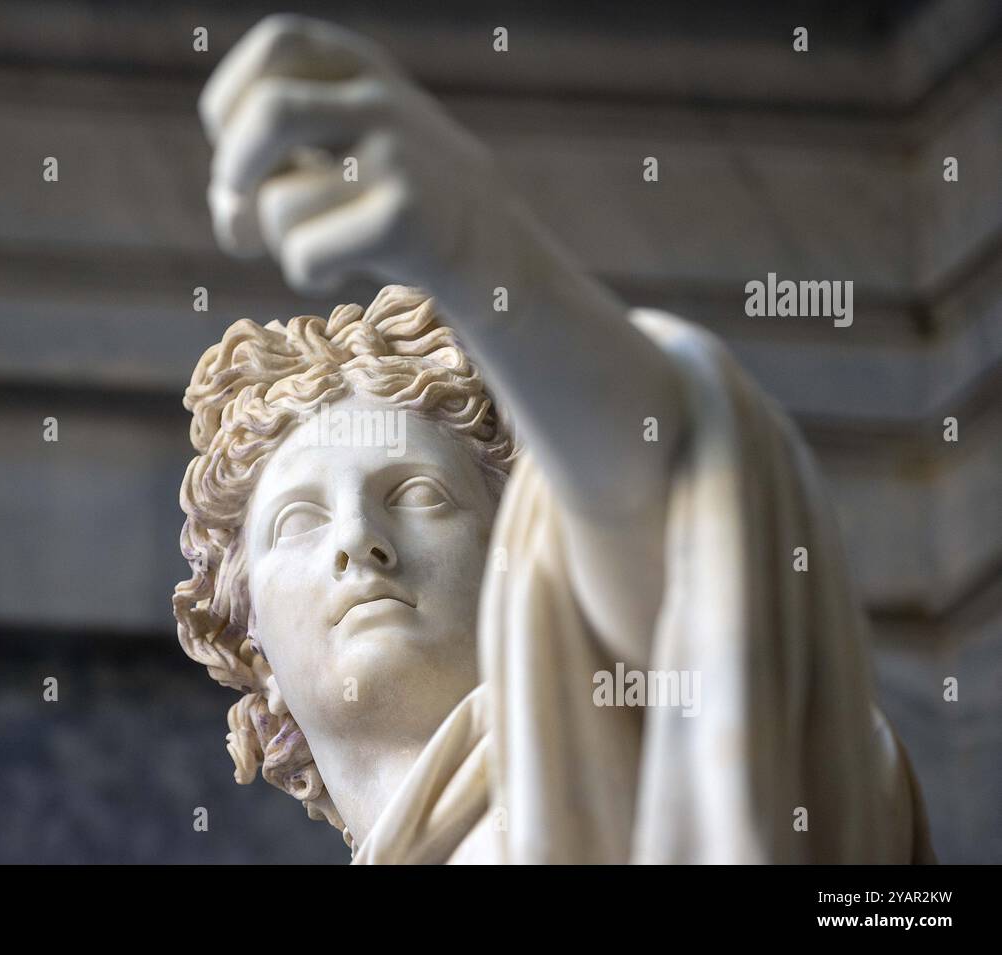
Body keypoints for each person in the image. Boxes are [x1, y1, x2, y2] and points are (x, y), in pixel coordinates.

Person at [174, 15, 935, 863]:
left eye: (419, 494)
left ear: (525, 557)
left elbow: (681, 520)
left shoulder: (637, 754)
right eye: (298, 522)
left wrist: (483, 255)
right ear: (252, 650)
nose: (360, 539)